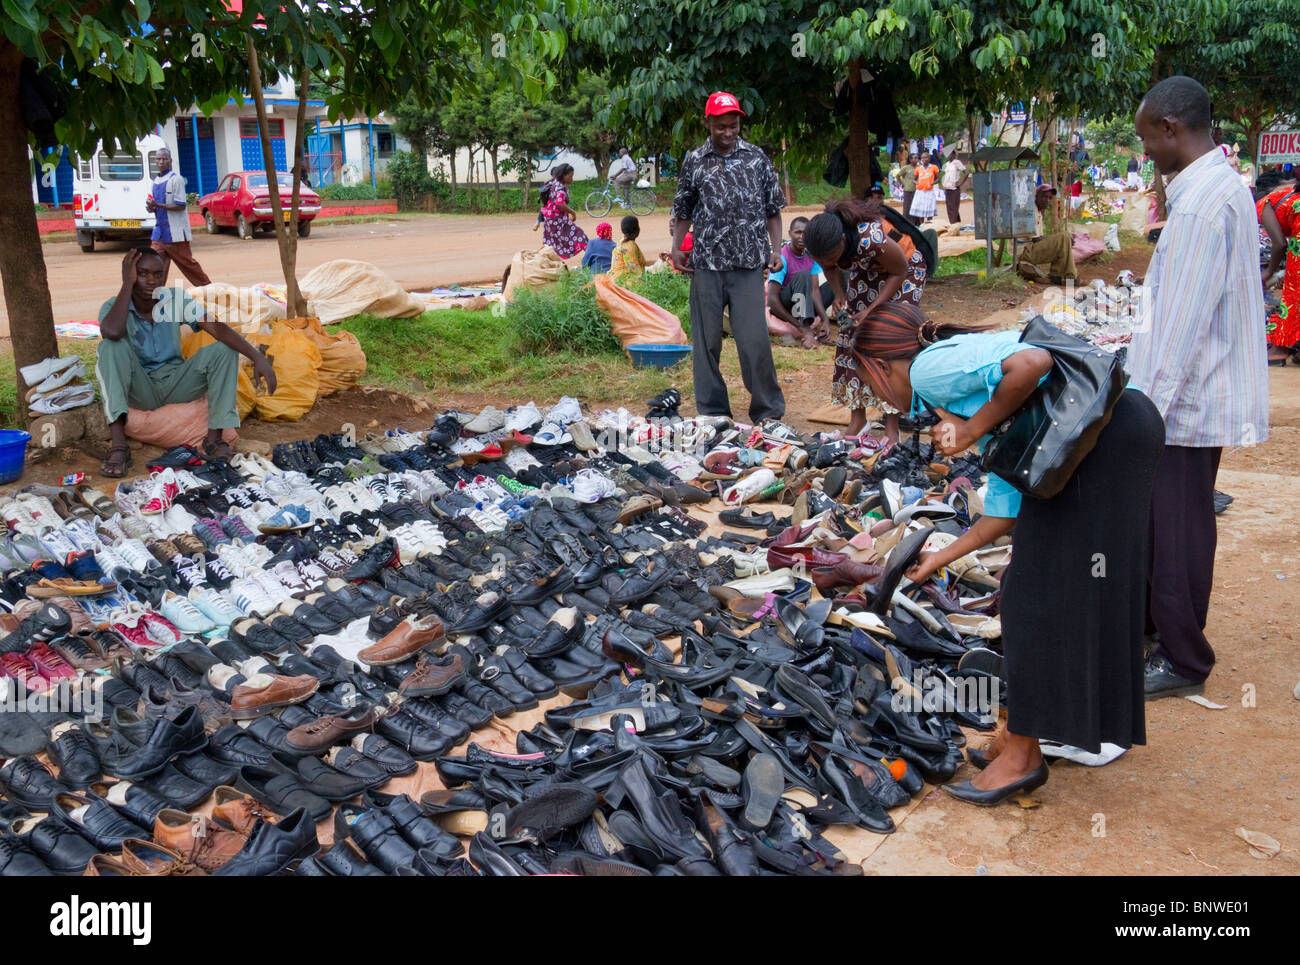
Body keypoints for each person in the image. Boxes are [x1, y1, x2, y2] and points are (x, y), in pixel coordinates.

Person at [872, 302, 1165, 804]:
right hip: (1113, 432)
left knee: (1034, 598)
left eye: (867, 381)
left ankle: (1022, 757)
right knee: (1060, 588)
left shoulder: (928, 367)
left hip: (1101, 441)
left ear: (881, 365)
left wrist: (966, 431)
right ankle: (1029, 734)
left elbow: (1033, 365)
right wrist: (940, 559)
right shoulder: (981, 397)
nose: (879, 398)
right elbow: (1005, 515)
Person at [1130, 75, 1269, 699]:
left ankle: (1185, 657)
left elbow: (1180, 325)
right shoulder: (1216, 189)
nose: (1144, 154)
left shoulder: (1202, 203)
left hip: (1184, 397)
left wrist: (1143, 414)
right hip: (1195, 388)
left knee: (1180, 524)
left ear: (1170, 129)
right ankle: (1159, 626)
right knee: (1168, 520)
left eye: (1146, 140)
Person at [96, 248, 277, 477]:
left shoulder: (175, 299)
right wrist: (126, 285)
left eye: (157, 274)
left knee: (224, 349)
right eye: (142, 273)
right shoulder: (113, 307)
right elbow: (111, 331)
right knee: (110, 346)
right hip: (139, 388)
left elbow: (215, 327)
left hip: (176, 381)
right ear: (130, 274)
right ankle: (119, 446)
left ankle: (213, 440)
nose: (151, 281)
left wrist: (257, 356)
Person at [671, 91, 786, 424]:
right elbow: (683, 209)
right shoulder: (695, 160)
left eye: (733, 125)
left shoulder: (756, 158)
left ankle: (767, 411)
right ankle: (713, 412)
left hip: (748, 266)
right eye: (721, 126)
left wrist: (776, 250)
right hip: (706, 264)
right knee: (706, 345)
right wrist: (678, 247)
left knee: (754, 343)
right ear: (708, 123)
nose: (728, 132)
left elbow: (773, 210)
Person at [804, 198, 928, 445]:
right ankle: (858, 419)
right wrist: (840, 294)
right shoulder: (822, 242)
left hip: (904, 269)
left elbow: (899, 270)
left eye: (831, 257)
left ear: (842, 241)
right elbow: (830, 267)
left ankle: (892, 427)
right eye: (823, 259)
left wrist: (872, 309)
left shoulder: (871, 237)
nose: (828, 262)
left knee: (888, 340)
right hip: (867, 266)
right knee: (851, 333)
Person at [145, 147, 211, 288]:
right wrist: (151, 207)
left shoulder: (177, 179)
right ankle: (153, 298)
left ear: (170, 161)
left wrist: (159, 205)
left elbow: (180, 205)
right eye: (158, 159)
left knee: (189, 265)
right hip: (159, 234)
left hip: (175, 234)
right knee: (154, 266)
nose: (161, 161)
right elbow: (156, 205)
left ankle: (209, 289)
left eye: (164, 159)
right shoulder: (155, 181)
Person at [766, 218, 832, 348]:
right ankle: (806, 330)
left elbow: (814, 291)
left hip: (804, 303)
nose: (802, 237)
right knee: (802, 275)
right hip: (786, 306)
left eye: (806, 233)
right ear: (790, 233)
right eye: (798, 232)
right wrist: (803, 328)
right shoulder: (782, 257)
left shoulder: (810, 256)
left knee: (837, 281)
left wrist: (825, 319)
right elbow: (772, 300)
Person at [1258, 180, 1300, 363]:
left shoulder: (1260, 205)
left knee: (1292, 295)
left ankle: (1279, 348)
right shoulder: (1288, 195)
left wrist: (1268, 272)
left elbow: (1280, 244)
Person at [1015, 184, 1077, 282]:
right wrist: (1057, 240)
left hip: (1029, 249)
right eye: (1044, 196)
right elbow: (1036, 239)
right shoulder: (1030, 211)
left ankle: (1057, 275)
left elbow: (1038, 238)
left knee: (1064, 239)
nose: (1047, 200)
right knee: (1063, 237)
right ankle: (1070, 277)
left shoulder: (1038, 211)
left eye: (1049, 198)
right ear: (1036, 196)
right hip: (1022, 252)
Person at [538, 163, 588, 259]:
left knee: (550, 243)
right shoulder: (561, 188)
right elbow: (559, 204)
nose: (572, 179)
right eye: (570, 176)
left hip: (549, 219)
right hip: (558, 220)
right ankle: (593, 261)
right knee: (580, 236)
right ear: (563, 175)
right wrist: (573, 212)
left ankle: (543, 262)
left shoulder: (553, 182)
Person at [611, 215, 647, 281]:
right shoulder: (629, 246)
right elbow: (635, 271)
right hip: (624, 281)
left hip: (616, 278)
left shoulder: (622, 241)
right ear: (637, 230)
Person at [909, 151, 939, 223]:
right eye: (922, 158)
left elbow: (938, 179)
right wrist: (917, 183)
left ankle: (929, 224)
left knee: (929, 208)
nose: (924, 159)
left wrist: (932, 183)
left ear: (929, 158)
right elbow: (914, 179)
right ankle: (922, 225)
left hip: (929, 191)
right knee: (920, 209)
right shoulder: (918, 168)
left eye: (926, 157)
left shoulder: (934, 167)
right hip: (920, 191)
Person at [941, 152, 967, 223]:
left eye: (949, 154)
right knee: (949, 207)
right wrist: (944, 186)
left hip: (955, 188)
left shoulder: (957, 162)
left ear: (953, 155)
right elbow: (945, 176)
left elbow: (966, 172)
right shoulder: (947, 164)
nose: (948, 156)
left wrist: (961, 183)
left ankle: (953, 223)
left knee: (954, 206)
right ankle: (955, 222)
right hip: (947, 187)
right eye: (947, 154)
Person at [899, 152, 918, 224]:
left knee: (916, 207)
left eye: (917, 158)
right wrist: (902, 183)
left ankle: (916, 223)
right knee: (907, 207)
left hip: (917, 190)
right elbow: (898, 176)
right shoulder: (906, 168)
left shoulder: (919, 167)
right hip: (908, 190)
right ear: (910, 159)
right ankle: (906, 223)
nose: (915, 160)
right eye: (914, 158)